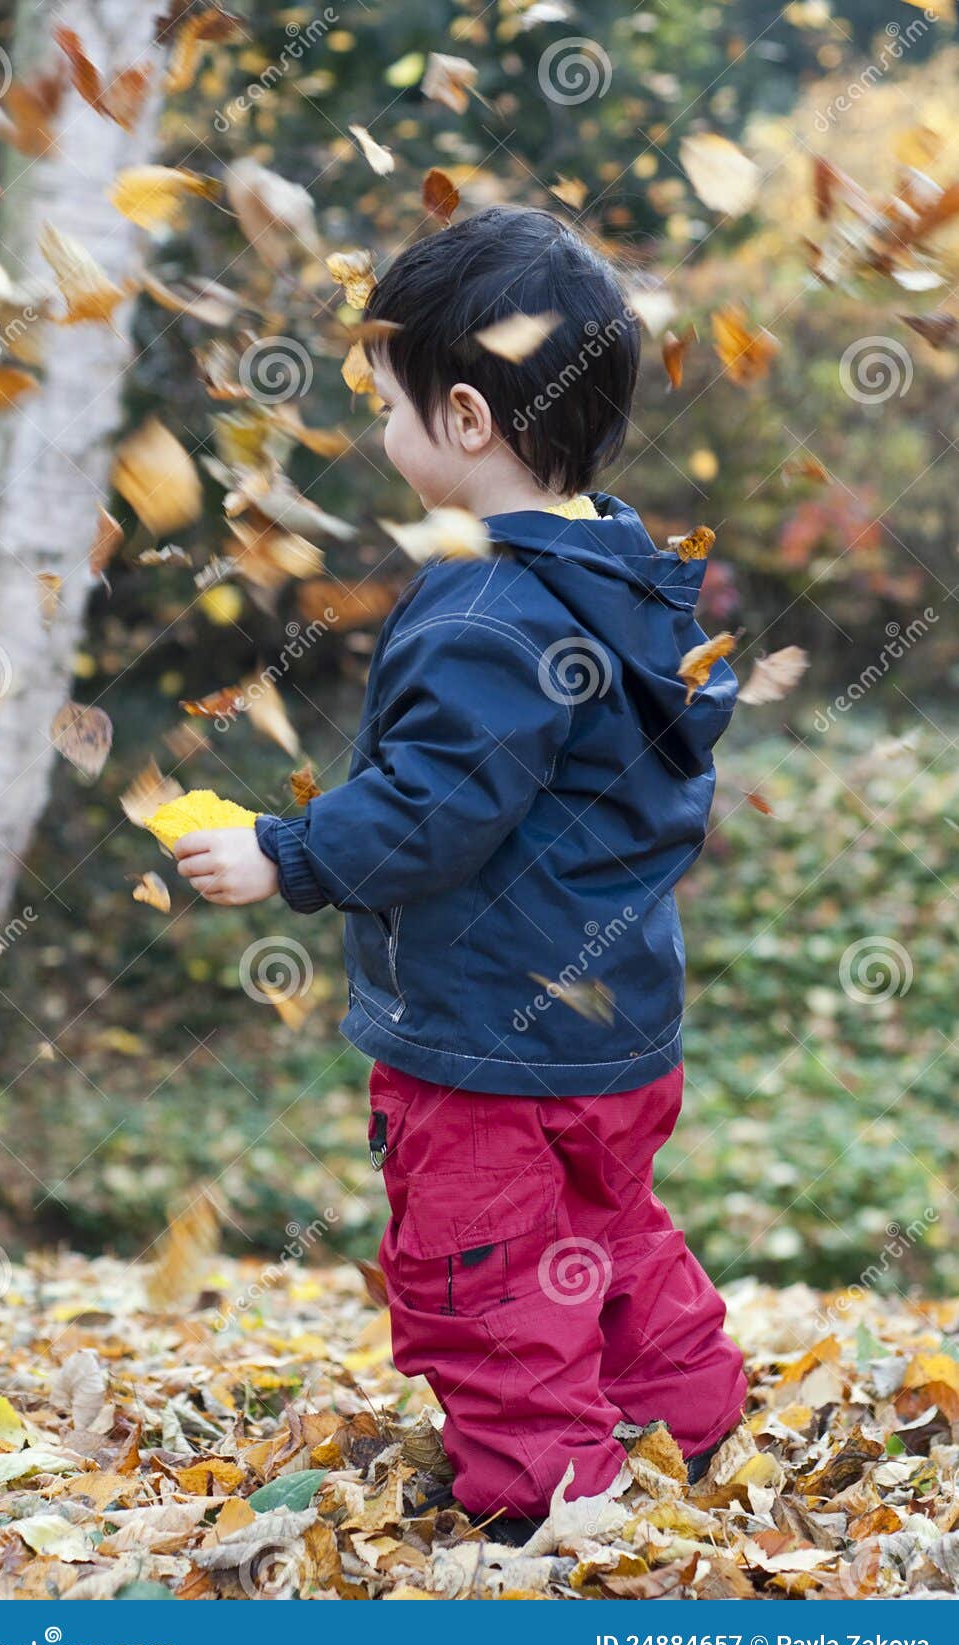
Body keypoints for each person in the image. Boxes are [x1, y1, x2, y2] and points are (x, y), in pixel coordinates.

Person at [174, 206, 746, 1543]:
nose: (382, 435)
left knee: (480, 1275)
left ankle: (546, 1508)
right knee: (613, 1234)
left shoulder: (487, 605)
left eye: (390, 407)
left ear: (471, 419)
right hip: (616, 1027)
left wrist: (284, 853)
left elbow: (438, 810)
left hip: (487, 1039)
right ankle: (691, 1426)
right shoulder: (623, 572)